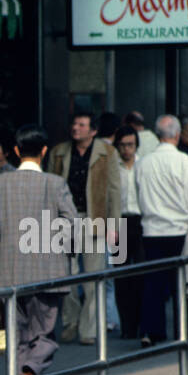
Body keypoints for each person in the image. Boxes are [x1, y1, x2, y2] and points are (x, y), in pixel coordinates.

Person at [0, 125, 77, 375]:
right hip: (49, 274)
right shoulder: (56, 183)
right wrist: (65, 254)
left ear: (17, 151)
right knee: (45, 335)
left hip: (10, 275)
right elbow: (71, 223)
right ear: (44, 152)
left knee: (18, 338)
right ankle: (30, 373)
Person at [136, 114, 188, 347]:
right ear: (177, 135)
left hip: (151, 230)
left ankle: (150, 331)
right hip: (180, 230)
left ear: (159, 135)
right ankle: (182, 331)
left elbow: (140, 195)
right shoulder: (184, 162)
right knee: (181, 282)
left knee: (153, 284)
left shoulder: (143, 162)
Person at [48, 110, 121, 344]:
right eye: (74, 123)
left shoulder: (107, 152)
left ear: (93, 131)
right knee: (67, 275)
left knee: (92, 277)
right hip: (65, 219)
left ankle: (88, 329)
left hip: (95, 218)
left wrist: (114, 225)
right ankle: (70, 322)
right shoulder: (59, 152)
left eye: (81, 124)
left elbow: (114, 191)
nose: (75, 128)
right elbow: (50, 189)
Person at [112, 124, 145, 339]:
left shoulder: (144, 165)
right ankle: (127, 327)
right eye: (123, 145)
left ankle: (142, 323)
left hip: (141, 222)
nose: (127, 150)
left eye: (130, 145)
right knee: (121, 277)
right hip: (120, 224)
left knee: (142, 274)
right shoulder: (112, 167)